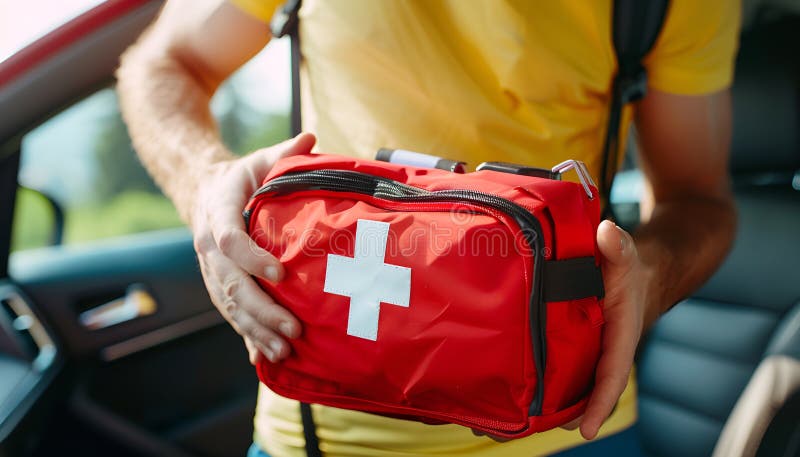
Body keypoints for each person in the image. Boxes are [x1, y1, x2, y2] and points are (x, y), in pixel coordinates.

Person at [116, 1, 740, 455]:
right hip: (316, 429)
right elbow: (164, 64)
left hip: (566, 427)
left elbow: (698, 199)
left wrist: (649, 276)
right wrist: (205, 183)